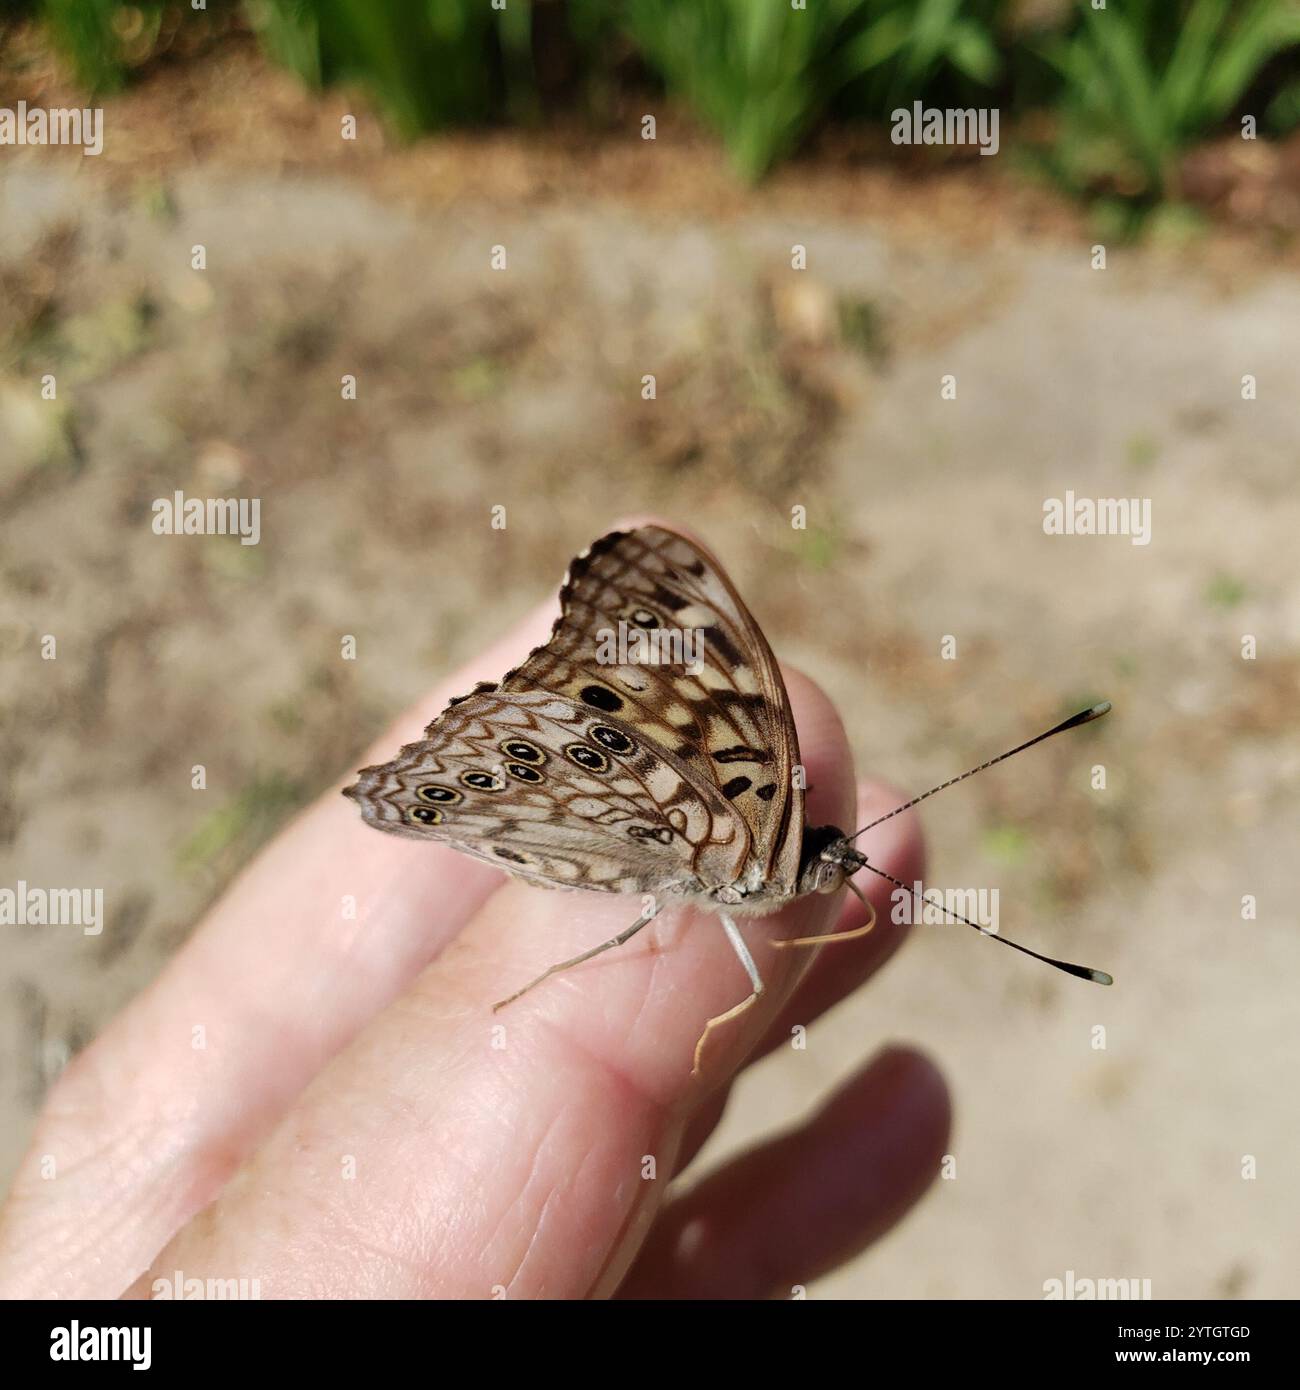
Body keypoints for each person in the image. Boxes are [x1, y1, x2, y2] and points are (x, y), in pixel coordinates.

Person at [0, 596, 948, 1299]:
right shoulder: (762, 841)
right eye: (833, 867)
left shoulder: (772, 857)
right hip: (551, 784)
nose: (841, 873)